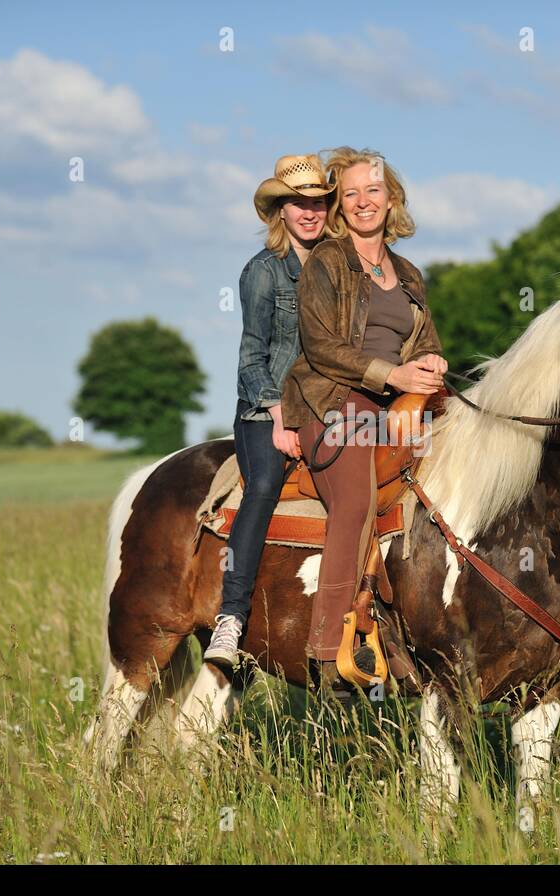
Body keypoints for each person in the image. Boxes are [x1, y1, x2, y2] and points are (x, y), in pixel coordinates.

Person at [279, 146, 447, 693]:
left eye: (371, 191)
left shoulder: (410, 273)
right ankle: (330, 650)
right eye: (349, 194)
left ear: (391, 199)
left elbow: (424, 341)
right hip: (333, 402)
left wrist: (431, 363)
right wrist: (393, 376)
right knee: (355, 501)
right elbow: (322, 346)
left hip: (395, 407)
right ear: (339, 207)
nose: (361, 202)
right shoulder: (326, 264)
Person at [204, 155, 334, 666]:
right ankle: (231, 617)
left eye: (318, 202)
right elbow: (250, 356)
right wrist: (280, 416)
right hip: (265, 410)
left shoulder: (335, 268)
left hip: (323, 407)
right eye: (298, 202)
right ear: (280, 210)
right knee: (263, 484)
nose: (309, 212)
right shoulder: (261, 272)